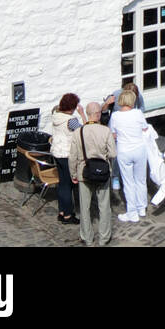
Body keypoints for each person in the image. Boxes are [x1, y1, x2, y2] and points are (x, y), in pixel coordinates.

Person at [71, 101, 116, 246]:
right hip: (102, 172)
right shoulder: (106, 131)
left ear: (88, 114)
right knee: (104, 206)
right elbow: (113, 153)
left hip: (84, 172)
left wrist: (73, 174)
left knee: (85, 207)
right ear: (97, 114)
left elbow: (72, 156)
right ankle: (104, 238)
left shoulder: (79, 132)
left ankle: (87, 238)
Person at [109, 90, 151, 223]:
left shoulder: (115, 116)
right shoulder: (138, 113)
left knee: (128, 182)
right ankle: (141, 207)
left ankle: (132, 212)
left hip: (124, 151)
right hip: (139, 149)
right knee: (141, 179)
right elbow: (145, 128)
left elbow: (113, 133)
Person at [49, 93, 84, 225]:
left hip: (57, 152)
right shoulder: (71, 120)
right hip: (67, 154)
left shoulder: (56, 116)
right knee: (68, 185)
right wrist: (82, 114)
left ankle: (62, 211)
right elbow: (84, 131)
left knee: (62, 183)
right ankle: (68, 215)